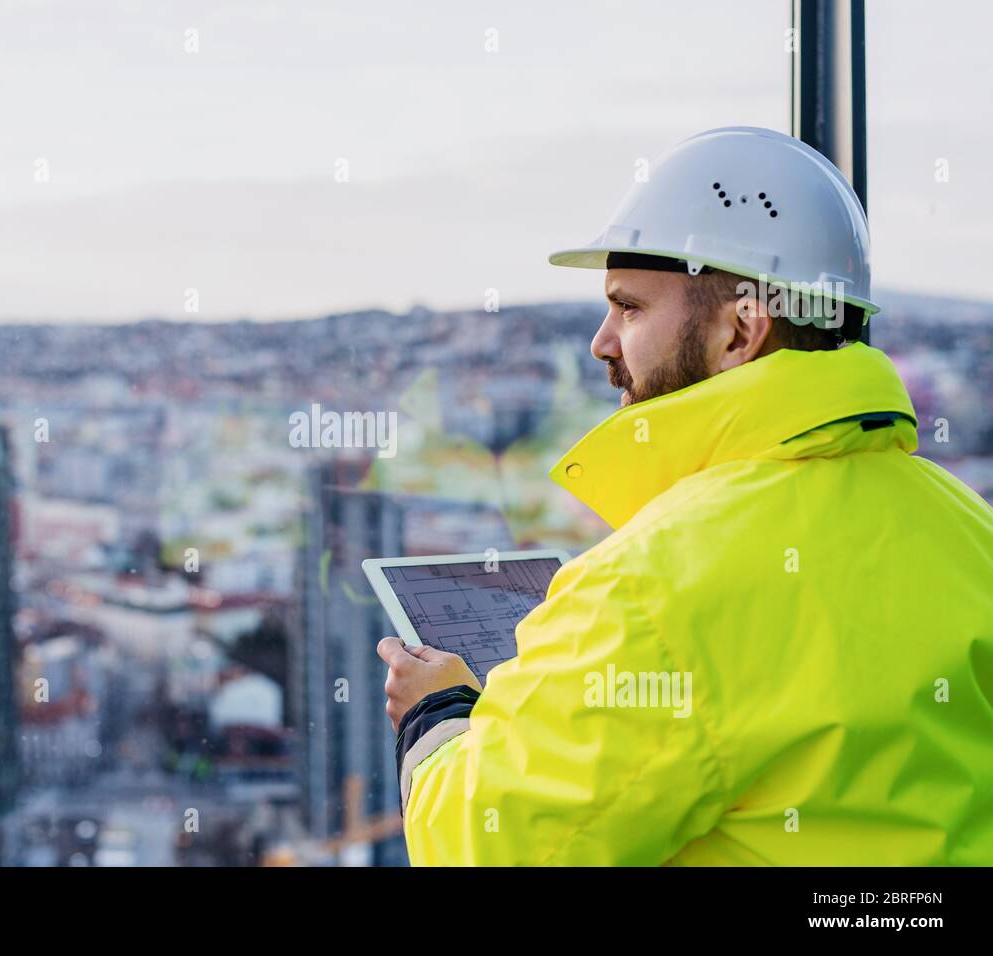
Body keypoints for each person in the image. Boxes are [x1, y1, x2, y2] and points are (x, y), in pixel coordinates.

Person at [377, 127, 993, 865]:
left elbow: (488, 849)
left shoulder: (652, 583)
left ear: (742, 328)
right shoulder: (967, 529)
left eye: (630, 308)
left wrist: (438, 717)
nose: (603, 342)